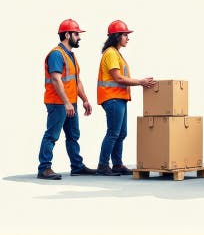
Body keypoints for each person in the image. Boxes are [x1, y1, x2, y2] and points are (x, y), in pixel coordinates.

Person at [37, 19, 96, 180]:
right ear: (67, 35)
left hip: (70, 103)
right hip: (58, 103)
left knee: (73, 136)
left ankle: (77, 166)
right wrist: (66, 102)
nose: (79, 37)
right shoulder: (57, 54)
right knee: (52, 135)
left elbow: (76, 81)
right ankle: (44, 168)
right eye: (76, 34)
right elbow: (56, 79)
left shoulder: (71, 55)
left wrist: (84, 100)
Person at [96, 20, 156, 176]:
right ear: (117, 36)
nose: (128, 38)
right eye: (125, 35)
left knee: (121, 133)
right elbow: (118, 78)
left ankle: (117, 165)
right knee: (113, 133)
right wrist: (141, 82)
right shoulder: (111, 53)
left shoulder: (116, 53)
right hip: (113, 98)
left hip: (119, 98)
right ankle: (103, 165)